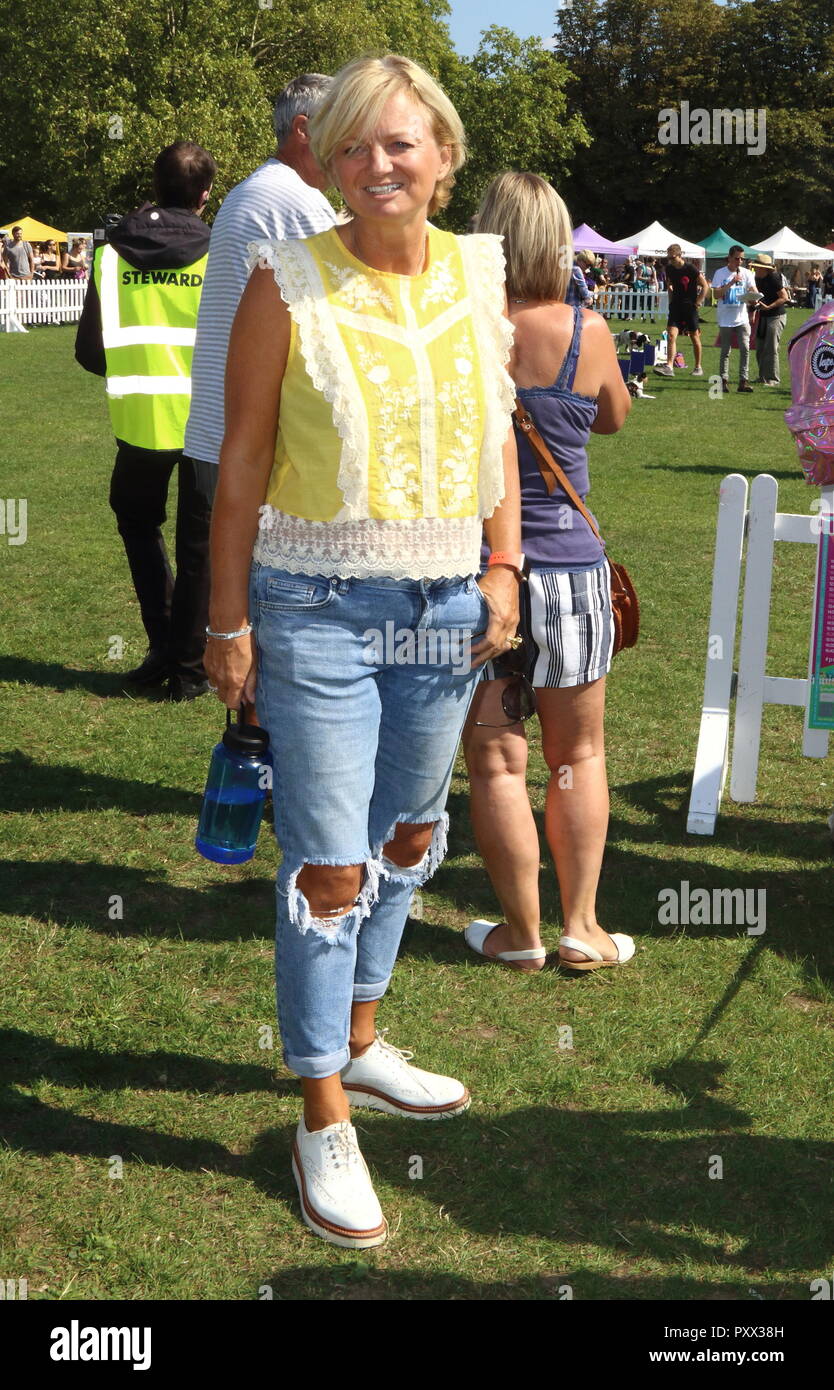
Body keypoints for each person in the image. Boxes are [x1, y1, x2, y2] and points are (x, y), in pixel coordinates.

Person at [206, 53, 522, 1250]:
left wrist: (505, 564)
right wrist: (226, 622)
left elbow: (493, 425)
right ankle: (321, 1108)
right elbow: (238, 463)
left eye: (401, 144)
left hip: (447, 607)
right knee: (330, 865)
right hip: (315, 605)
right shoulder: (287, 281)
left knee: (409, 840)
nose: (378, 165)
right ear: (326, 159)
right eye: (352, 146)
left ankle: (364, 1032)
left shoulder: (480, 272)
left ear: (444, 154)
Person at [462, 170, 633, 976]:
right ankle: (581, 925)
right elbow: (615, 414)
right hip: (570, 568)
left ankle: (519, 931)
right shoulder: (589, 330)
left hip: (482, 570)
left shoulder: (465, 327)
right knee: (580, 754)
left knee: (497, 756)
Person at [75, 141, 217, 699]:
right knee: (200, 545)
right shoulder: (219, 252)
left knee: (138, 524)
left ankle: (164, 643)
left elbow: (89, 352)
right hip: (206, 421)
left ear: (154, 187)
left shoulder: (110, 254)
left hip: (139, 421)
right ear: (205, 196)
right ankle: (188, 666)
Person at [184, 74, 336, 480]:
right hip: (256, 446)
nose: (350, 146)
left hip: (219, 431)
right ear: (303, 129)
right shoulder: (300, 203)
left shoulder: (251, 190)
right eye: (340, 127)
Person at [654, 243, 708, 378]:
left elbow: (705, 285)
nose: (670, 260)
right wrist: (671, 301)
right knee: (671, 335)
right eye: (669, 258)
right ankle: (669, 367)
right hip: (676, 306)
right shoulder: (669, 269)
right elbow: (669, 285)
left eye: (672, 258)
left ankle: (698, 367)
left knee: (694, 336)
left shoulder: (691, 269)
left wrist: (698, 302)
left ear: (680, 255)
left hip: (690, 307)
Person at [712, 244, 757, 393]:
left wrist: (755, 298)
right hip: (725, 319)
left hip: (742, 318)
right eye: (737, 258)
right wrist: (731, 282)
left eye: (742, 259)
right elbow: (716, 295)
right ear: (729, 258)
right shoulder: (720, 273)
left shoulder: (747, 273)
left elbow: (753, 291)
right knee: (725, 351)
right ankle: (723, 381)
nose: (740, 261)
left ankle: (743, 382)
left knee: (745, 349)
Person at [750, 252, 788, 386]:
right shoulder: (756, 278)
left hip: (776, 316)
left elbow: (784, 297)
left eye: (757, 267)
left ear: (765, 268)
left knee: (771, 348)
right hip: (763, 316)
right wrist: (753, 310)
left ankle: (773, 379)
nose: (755, 269)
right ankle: (762, 377)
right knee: (760, 347)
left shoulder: (774, 278)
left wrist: (769, 307)